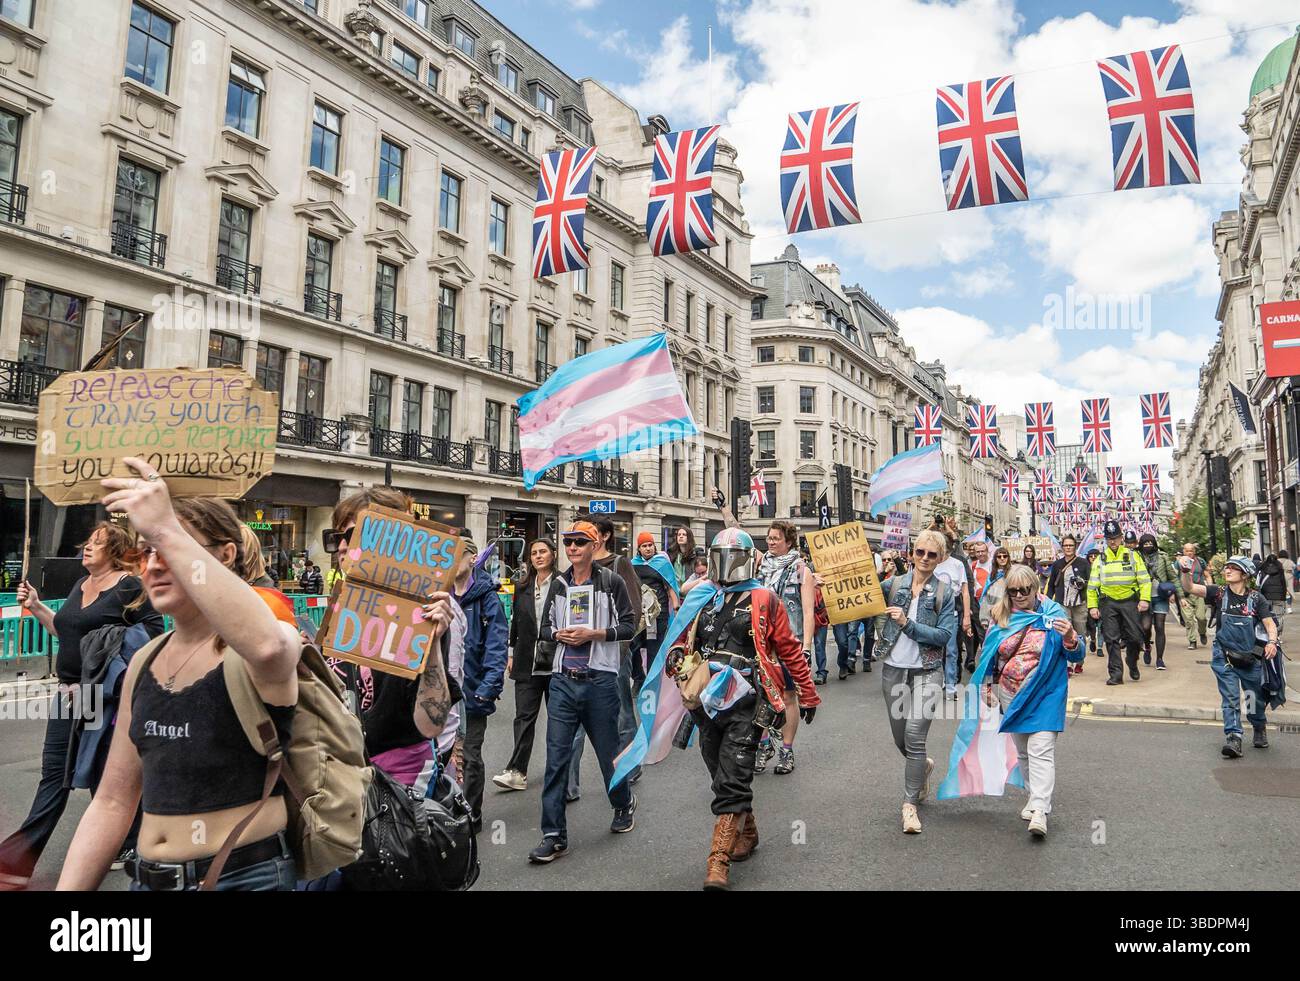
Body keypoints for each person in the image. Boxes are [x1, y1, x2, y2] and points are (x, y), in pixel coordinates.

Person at [56, 460, 307, 891]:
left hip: (244, 878)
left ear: (226, 554)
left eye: (168, 548)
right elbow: (113, 801)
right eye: (144, 551)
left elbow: (270, 646)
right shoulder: (144, 662)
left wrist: (164, 527)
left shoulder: (260, 643)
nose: (152, 565)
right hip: (150, 881)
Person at [0, 522, 165, 891]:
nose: (87, 548)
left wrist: (109, 670)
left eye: (97, 543)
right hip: (68, 694)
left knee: (106, 778)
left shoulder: (129, 587)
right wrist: (38, 606)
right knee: (55, 775)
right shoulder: (80, 586)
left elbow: (153, 638)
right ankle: (16, 859)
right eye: (87, 542)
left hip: (102, 697)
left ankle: (127, 841)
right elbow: (66, 633)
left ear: (117, 550)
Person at [662, 528, 819, 889]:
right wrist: (676, 659)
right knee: (719, 770)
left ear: (748, 560)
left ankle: (717, 859)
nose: (726, 564)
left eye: (734, 557)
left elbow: (790, 650)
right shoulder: (703, 595)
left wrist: (808, 693)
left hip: (748, 701)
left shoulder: (765, 598)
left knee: (734, 775)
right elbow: (685, 641)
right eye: (721, 556)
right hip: (706, 703)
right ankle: (747, 830)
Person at [528, 521, 637, 864]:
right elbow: (543, 628)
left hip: (600, 681)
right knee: (556, 759)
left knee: (609, 755)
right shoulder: (559, 585)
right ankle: (553, 835)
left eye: (579, 542)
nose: (572, 547)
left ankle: (622, 803)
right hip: (563, 680)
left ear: (593, 546)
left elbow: (631, 625)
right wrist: (559, 634)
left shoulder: (612, 582)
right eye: (569, 542)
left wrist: (595, 634)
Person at [973, 565, 1086, 838]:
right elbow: (989, 654)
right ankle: (1034, 796)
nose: (1020, 595)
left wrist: (1071, 638)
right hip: (1011, 693)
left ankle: (1040, 811)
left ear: (1036, 588)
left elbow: (1076, 655)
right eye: (1014, 591)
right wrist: (986, 685)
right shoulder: (1001, 615)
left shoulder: (1054, 614)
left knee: (1041, 750)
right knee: (1023, 752)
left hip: (1047, 692)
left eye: (1026, 589)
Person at [872, 529, 956, 834]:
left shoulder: (945, 593)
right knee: (901, 739)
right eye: (920, 552)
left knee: (914, 734)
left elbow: (944, 636)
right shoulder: (893, 585)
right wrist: (826, 587)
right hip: (893, 670)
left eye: (932, 554)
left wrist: (907, 624)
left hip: (928, 671)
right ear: (911, 552)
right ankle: (923, 766)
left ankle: (909, 805)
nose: (924, 558)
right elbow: (858, 595)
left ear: (941, 558)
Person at [1178, 555, 1279, 758]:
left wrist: (1272, 642)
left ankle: (1258, 725)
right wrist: (1185, 573)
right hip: (1224, 657)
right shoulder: (1218, 592)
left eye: (1233, 568)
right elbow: (1190, 588)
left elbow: (1270, 624)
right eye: (1227, 567)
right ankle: (1234, 737)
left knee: (1253, 698)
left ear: (1244, 574)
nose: (1228, 570)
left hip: (1250, 658)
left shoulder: (1256, 599)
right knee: (1231, 698)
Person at [494, 540, 562, 793]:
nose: (538, 556)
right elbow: (516, 624)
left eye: (543, 551)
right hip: (526, 661)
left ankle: (558, 770)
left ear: (553, 554)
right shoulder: (522, 586)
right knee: (523, 717)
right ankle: (517, 770)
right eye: (534, 553)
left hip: (555, 661)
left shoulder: (563, 584)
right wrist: (511, 653)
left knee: (558, 719)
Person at [455, 535, 509, 834]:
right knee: (446, 756)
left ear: (473, 558)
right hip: (443, 692)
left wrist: (488, 686)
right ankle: (449, 809)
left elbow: (496, 645)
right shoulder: (441, 595)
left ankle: (471, 813)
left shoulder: (488, 597)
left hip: (473, 689)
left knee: (470, 755)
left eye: (458, 554)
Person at [758, 521, 815, 775]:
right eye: (769, 538)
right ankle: (763, 745)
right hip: (761, 643)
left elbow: (807, 612)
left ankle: (786, 751)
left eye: (776, 538)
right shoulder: (758, 567)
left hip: (789, 643)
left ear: (789, 541)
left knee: (789, 697)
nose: (771, 542)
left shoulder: (802, 571)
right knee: (760, 696)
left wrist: (807, 648)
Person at [1088, 520, 1151, 686]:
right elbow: (1092, 586)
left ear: (1121, 537)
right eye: (1109, 538)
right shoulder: (1100, 560)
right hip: (1108, 603)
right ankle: (1116, 674)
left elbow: (1145, 580)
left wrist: (1144, 599)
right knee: (1111, 639)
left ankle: (1132, 661)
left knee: (1136, 637)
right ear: (1105, 540)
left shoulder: (1132, 555)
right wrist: (1093, 606)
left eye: (1115, 537)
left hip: (1129, 602)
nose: (1113, 541)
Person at [631, 532, 680, 696]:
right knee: (632, 646)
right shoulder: (633, 564)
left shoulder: (662, 563)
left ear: (654, 546)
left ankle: (651, 684)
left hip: (657, 614)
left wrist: (676, 605)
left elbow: (670, 585)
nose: (648, 548)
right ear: (639, 548)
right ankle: (638, 677)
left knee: (654, 648)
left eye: (650, 545)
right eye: (644, 546)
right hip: (639, 614)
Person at [934, 522, 973, 698]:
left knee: (951, 650)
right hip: (931, 612)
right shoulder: (929, 561)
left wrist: (967, 617)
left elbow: (965, 591)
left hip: (952, 613)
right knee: (933, 650)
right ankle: (935, 681)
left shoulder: (957, 564)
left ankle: (950, 685)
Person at [1046, 535, 1091, 677]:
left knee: (1080, 632)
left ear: (1075, 547)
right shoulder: (1057, 565)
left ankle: (1079, 661)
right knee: (1065, 632)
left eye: (1071, 545)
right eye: (1066, 545)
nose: (1068, 548)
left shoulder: (1083, 563)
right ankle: (1068, 664)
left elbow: (1091, 583)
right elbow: (1052, 584)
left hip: (1080, 603)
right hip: (1063, 603)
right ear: (1062, 547)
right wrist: (1047, 602)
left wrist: (1082, 583)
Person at [1137, 534, 1183, 670]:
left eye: (1150, 543)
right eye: (1145, 543)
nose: (1147, 545)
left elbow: (1173, 577)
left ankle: (1160, 659)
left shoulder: (1163, 556)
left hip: (1160, 596)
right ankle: (1147, 646)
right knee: (1145, 627)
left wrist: (1180, 596)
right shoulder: (1137, 557)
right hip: (1144, 597)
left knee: (1160, 626)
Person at [1179, 543, 1209, 649]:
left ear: (1194, 551)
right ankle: (1192, 641)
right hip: (1185, 594)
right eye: (1187, 550)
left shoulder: (1200, 561)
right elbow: (1174, 578)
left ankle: (1202, 632)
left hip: (1199, 593)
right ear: (1183, 551)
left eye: (1191, 550)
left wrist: (1209, 590)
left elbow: (1207, 575)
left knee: (1201, 617)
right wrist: (1178, 595)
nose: (1189, 552)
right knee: (1188, 619)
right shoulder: (1179, 563)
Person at [1256, 553, 1289, 637]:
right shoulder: (1280, 569)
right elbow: (1284, 583)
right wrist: (1284, 596)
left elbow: (1258, 583)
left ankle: (1269, 635)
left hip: (1265, 597)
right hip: (1279, 597)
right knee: (1278, 617)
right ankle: (1277, 635)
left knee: (1267, 616)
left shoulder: (1262, 569)